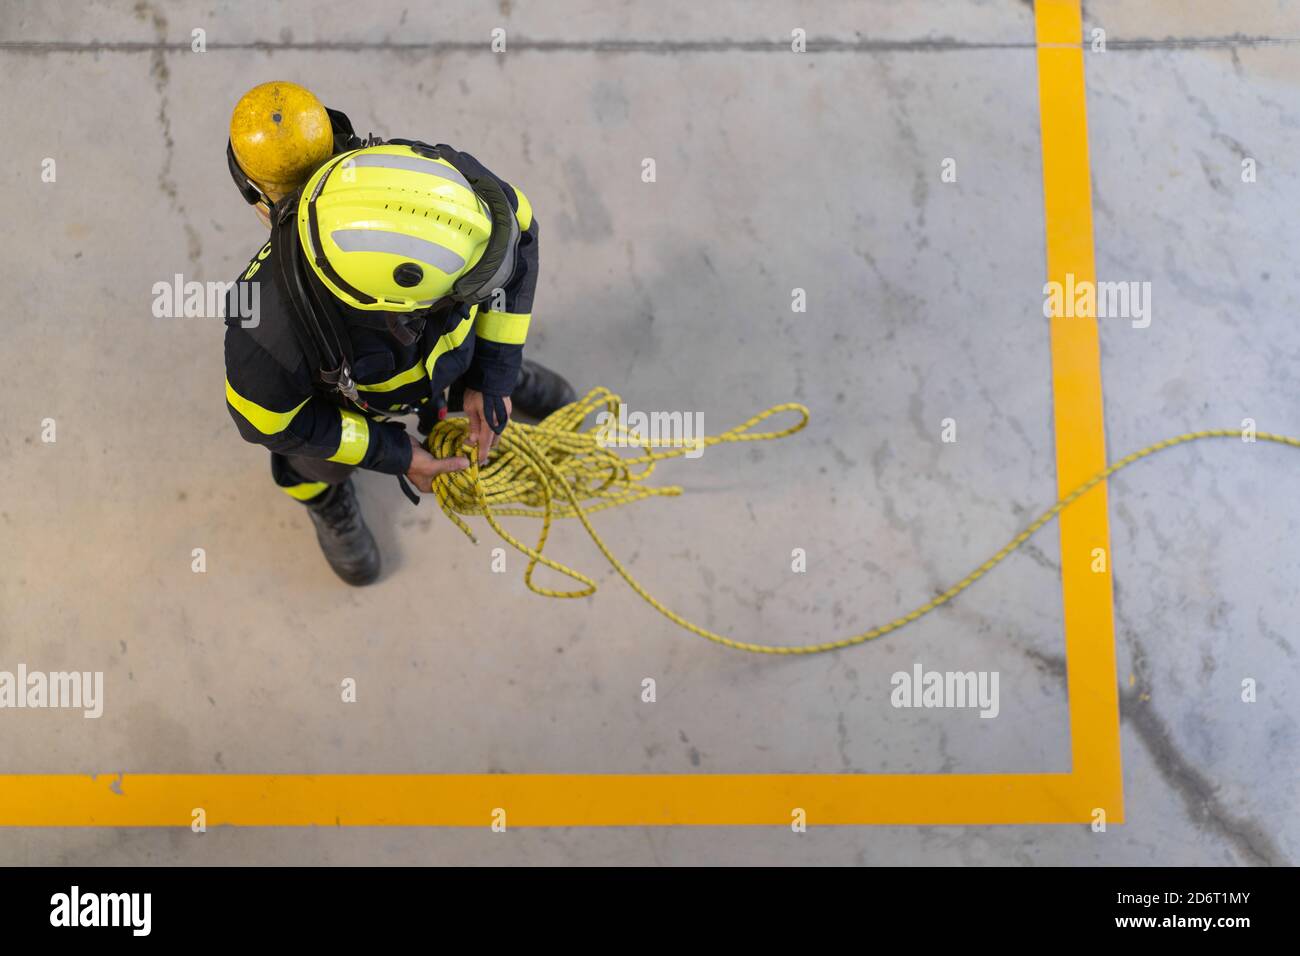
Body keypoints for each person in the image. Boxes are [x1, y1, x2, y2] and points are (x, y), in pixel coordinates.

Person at [223, 81, 576, 585]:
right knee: (316, 463)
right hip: (356, 407)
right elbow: (270, 421)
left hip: (458, 354)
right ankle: (325, 499)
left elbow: (517, 228)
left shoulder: (431, 184)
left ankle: (487, 386)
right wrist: (394, 453)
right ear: (389, 305)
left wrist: (495, 373)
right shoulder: (266, 327)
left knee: (479, 363)